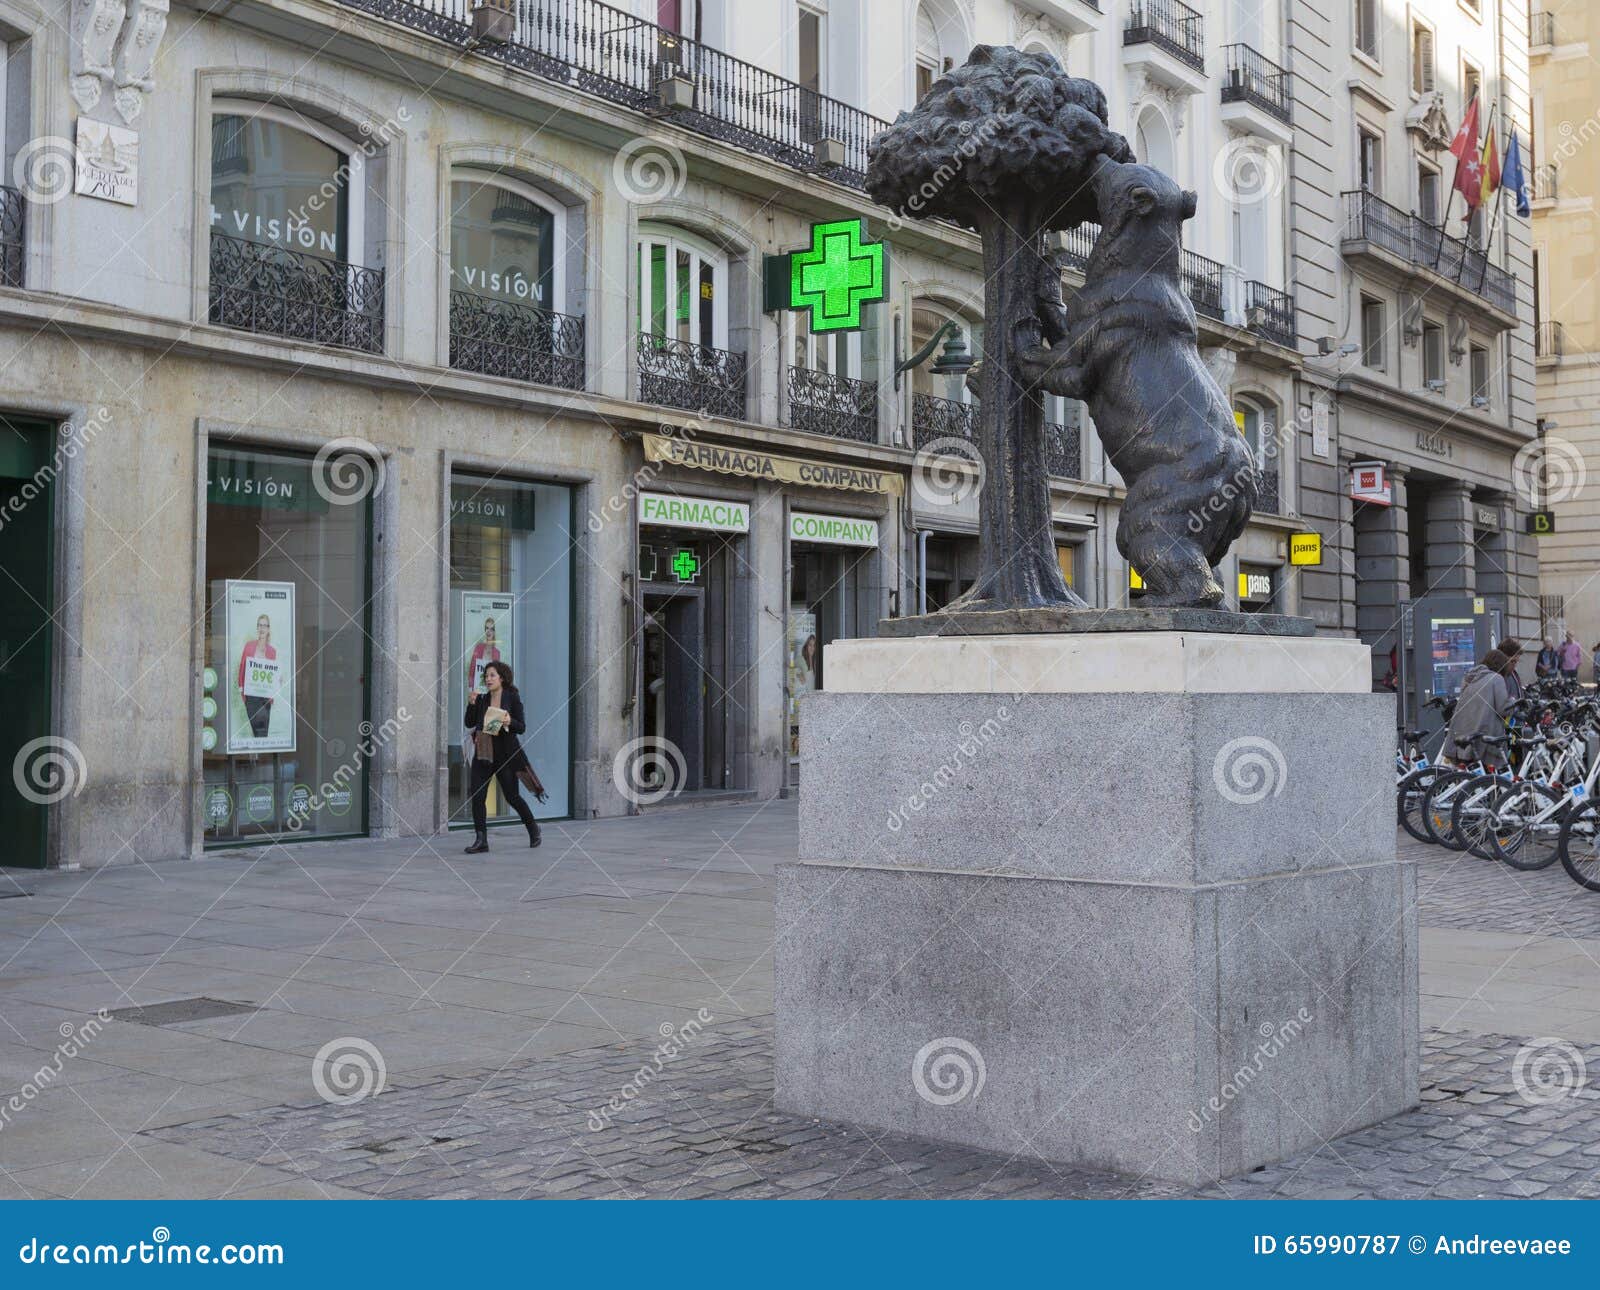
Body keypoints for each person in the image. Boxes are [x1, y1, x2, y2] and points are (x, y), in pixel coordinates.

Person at [462, 661, 540, 853]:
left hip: (505, 755)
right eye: (486, 676)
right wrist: (471, 704)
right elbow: (469, 723)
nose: (488, 679)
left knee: (512, 797)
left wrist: (509, 721)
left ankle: (533, 828)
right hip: (484, 754)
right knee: (477, 796)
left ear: (502, 678)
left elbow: (521, 727)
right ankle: (481, 840)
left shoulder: (512, 697)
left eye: (492, 675)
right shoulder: (482, 699)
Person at [1443, 648, 1514, 768]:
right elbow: (1503, 709)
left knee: (1469, 774)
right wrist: (1513, 702)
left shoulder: (1470, 678)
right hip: (1484, 737)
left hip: (1462, 734)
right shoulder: (1496, 679)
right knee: (1492, 776)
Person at [236, 613, 278, 738]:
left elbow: (273, 675)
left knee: (262, 735)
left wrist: (277, 681)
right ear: (257, 628)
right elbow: (242, 669)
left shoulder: (272, 651)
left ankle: (259, 751)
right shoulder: (249, 646)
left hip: (265, 698)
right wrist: (242, 692)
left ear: (268, 629)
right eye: (260, 625)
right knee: (256, 733)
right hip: (251, 697)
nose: (262, 628)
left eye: (265, 625)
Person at [466, 616, 502, 696]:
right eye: (487, 628)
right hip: (477, 692)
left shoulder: (497, 653)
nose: (489, 631)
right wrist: (470, 689)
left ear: (494, 632)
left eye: (491, 629)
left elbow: (497, 676)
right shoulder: (478, 648)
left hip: (490, 693)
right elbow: (471, 671)